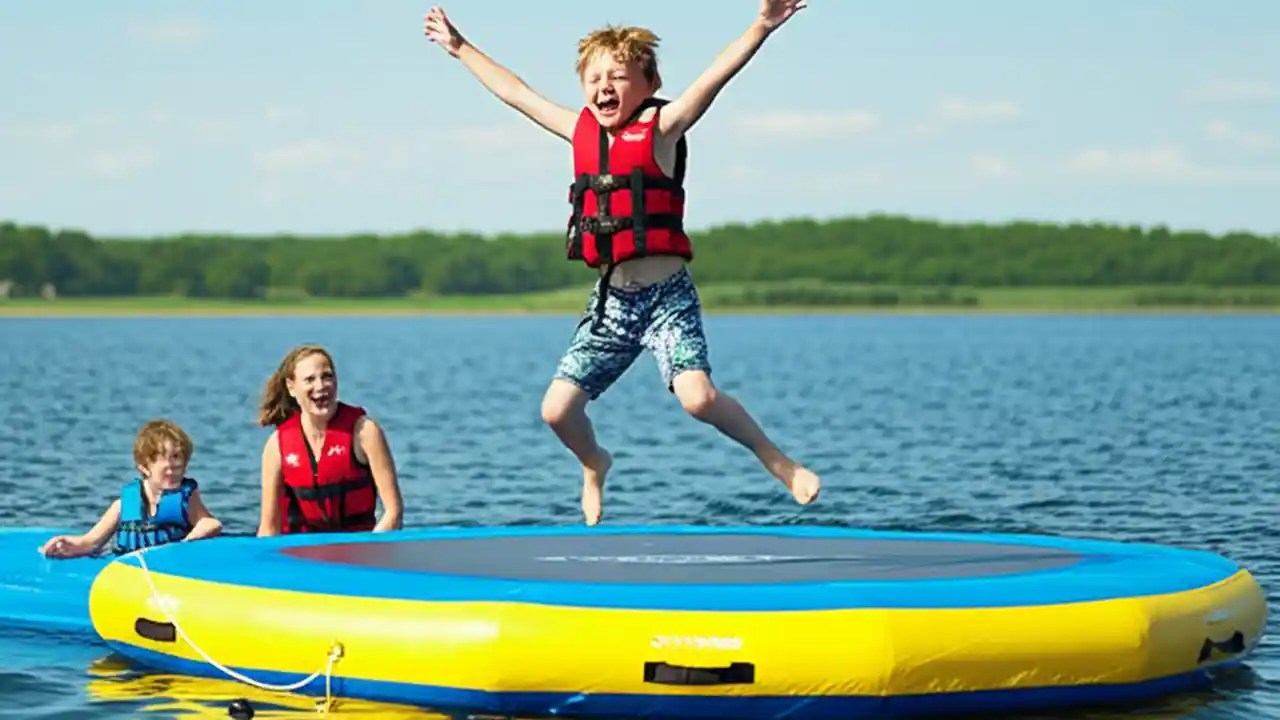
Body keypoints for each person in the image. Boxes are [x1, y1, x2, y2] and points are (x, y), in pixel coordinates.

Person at [423, 1, 821, 525]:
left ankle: (779, 462)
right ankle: (594, 463)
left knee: (697, 398)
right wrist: (459, 48)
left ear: (648, 82)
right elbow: (514, 91)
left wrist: (762, 26)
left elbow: (714, 78)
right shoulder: (580, 130)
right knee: (555, 412)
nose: (604, 86)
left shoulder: (663, 128)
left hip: (667, 298)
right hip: (612, 303)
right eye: (594, 77)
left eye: (618, 76)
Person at [256, 344, 404, 536]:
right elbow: (268, 529)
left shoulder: (365, 432)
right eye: (309, 379)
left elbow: (393, 513)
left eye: (327, 376)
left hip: (359, 551)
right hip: (302, 557)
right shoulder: (276, 445)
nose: (321, 386)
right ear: (291, 387)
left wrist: (369, 551)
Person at [39, 419, 222, 558]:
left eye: (178, 460)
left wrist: (186, 543)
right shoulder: (123, 506)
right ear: (144, 466)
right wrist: (67, 545)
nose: (173, 467)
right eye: (165, 461)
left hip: (170, 571)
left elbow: (211, 523)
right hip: (131, 574)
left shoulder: (186, 499)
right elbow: (91, 542)